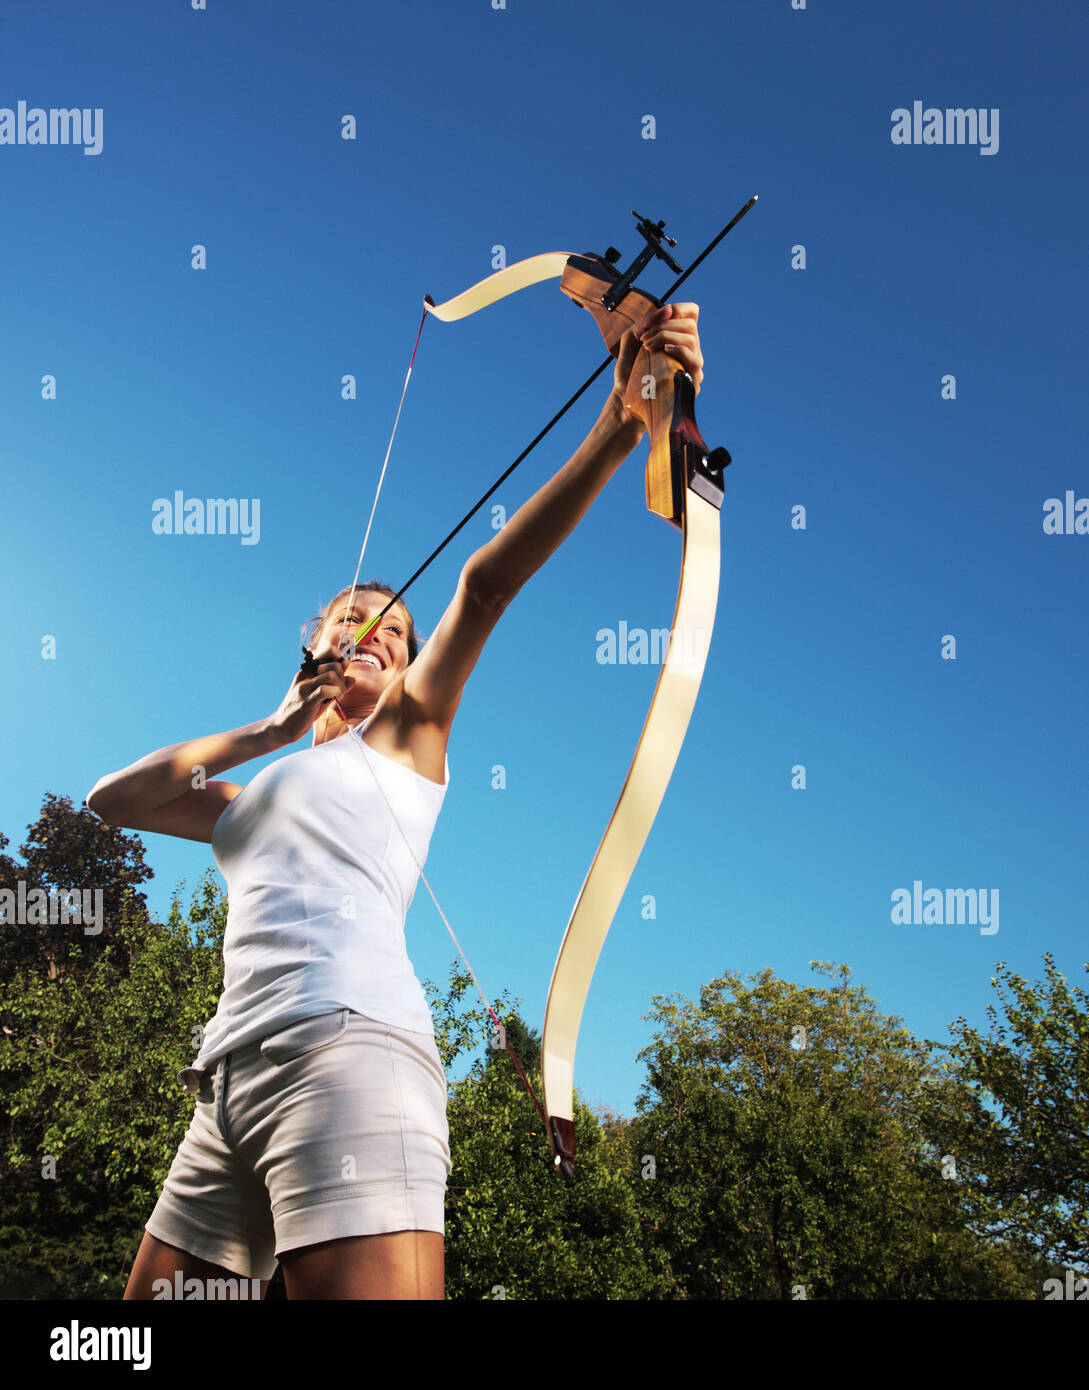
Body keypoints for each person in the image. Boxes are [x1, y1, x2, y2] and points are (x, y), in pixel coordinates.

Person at [88, 302, 704, 1300]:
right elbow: (113, 799)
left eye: (396, 631)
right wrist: (271, 729)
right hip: (228, 1086)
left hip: (347, 1055)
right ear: (312, 641)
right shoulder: (249, 796)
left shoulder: (410, 735)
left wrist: (622, 421)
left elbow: (486, 583)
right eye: (352, 618)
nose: (376, 630)